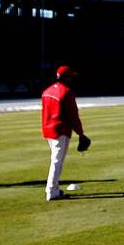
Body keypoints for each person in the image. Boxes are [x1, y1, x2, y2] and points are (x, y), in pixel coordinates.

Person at [42, 65, 89, 202]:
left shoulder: (47, 91)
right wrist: (81, 134)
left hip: (48, 130)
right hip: (60, 130)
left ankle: (54, 189)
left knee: (55, 160)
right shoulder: (67, 92)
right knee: (57, 161)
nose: (72, 79)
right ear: (67, 78)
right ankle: (51, 191)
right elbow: (73, 116)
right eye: (71, 77)